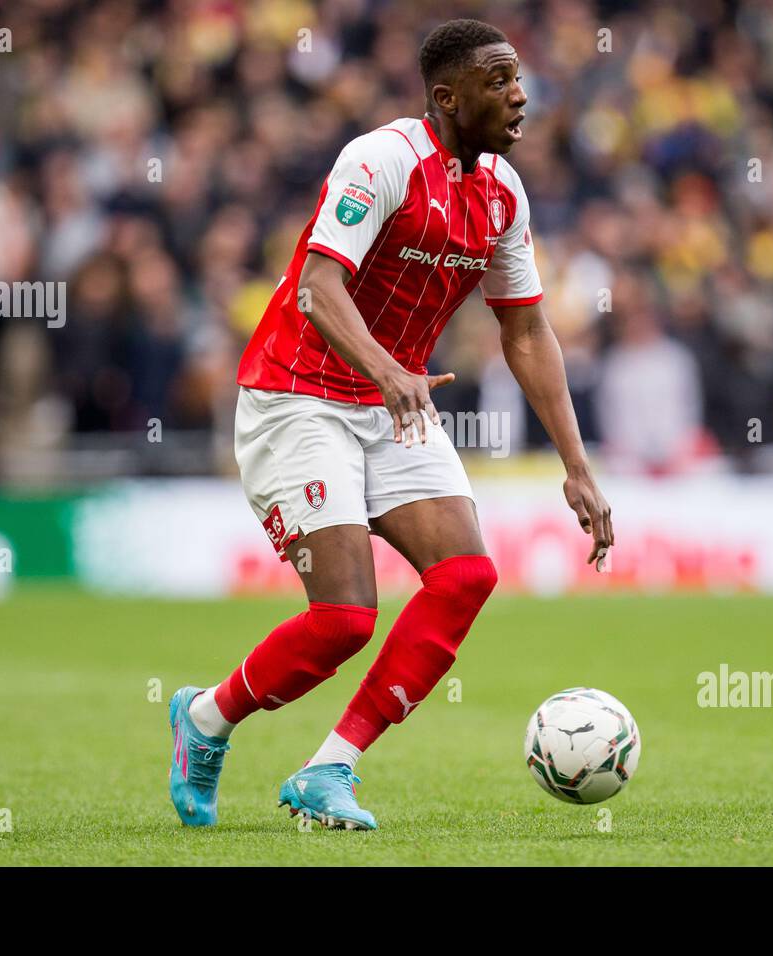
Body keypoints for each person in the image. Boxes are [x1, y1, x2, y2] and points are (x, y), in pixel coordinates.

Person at [168, 18, 613, 831]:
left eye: (520, 78)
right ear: (446, 97)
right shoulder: (381, 160)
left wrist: (576, 466)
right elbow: (318, 287)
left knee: (467, 576)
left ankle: (329, 768)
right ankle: (204, 720)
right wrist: (388, 373)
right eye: (499, 79)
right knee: (343, 619)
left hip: (390, 402)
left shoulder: (504, 196)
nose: (521, 94)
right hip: (298, 393)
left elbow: (525, 329)